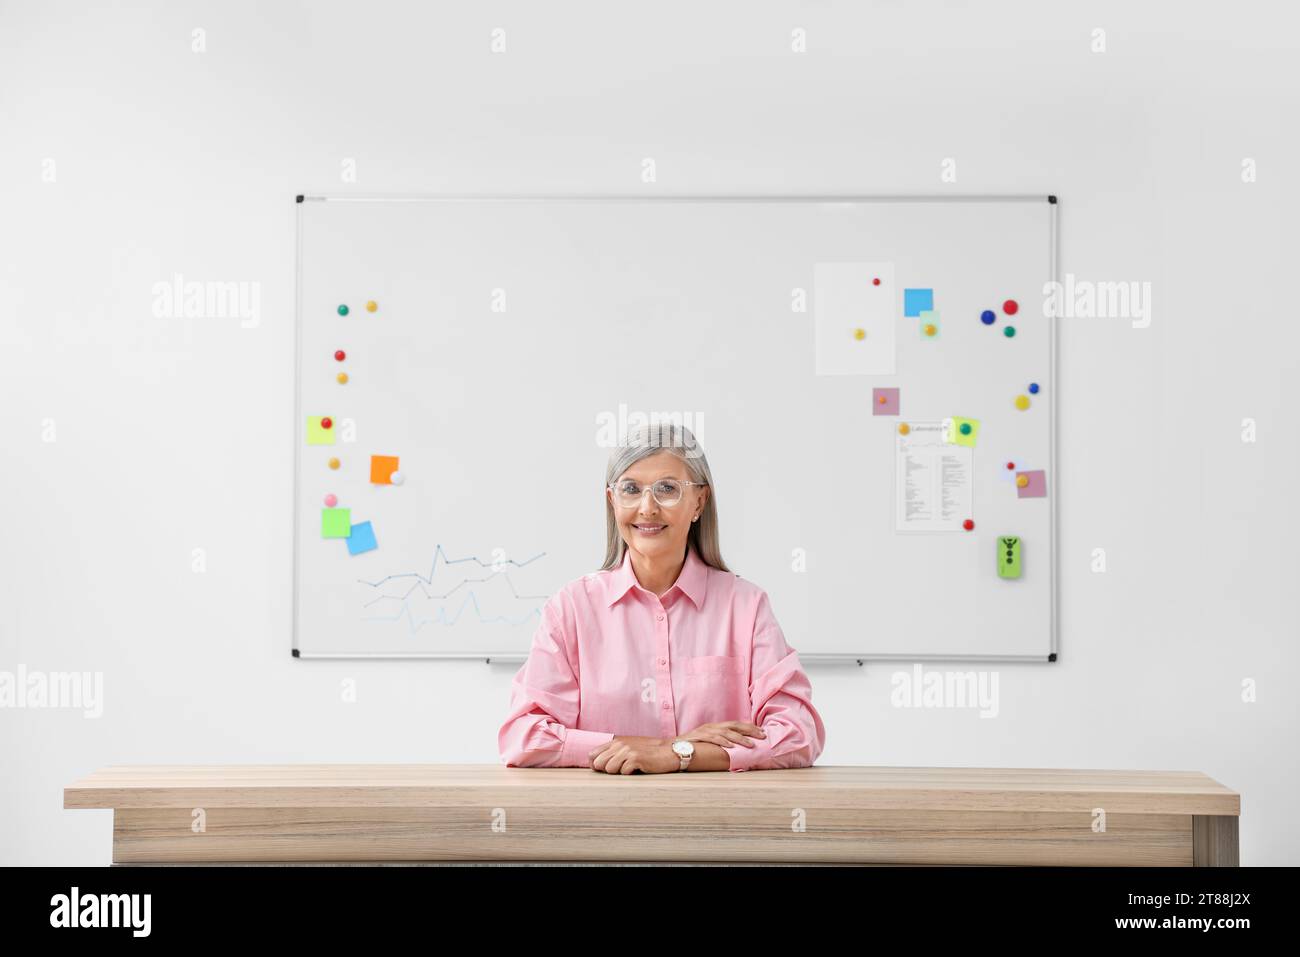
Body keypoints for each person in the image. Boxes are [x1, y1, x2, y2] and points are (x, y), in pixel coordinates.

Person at [498, 422, 826, 774]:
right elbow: (524, 736)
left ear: (699, 501)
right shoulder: (572, 608)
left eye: (667, 489)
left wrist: (677, 755)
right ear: (612, 501)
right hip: (603, 821)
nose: (647, 507)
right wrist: (654, 747)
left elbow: (798, 733)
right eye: (631, 489)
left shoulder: (745, 607)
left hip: (719, 821)